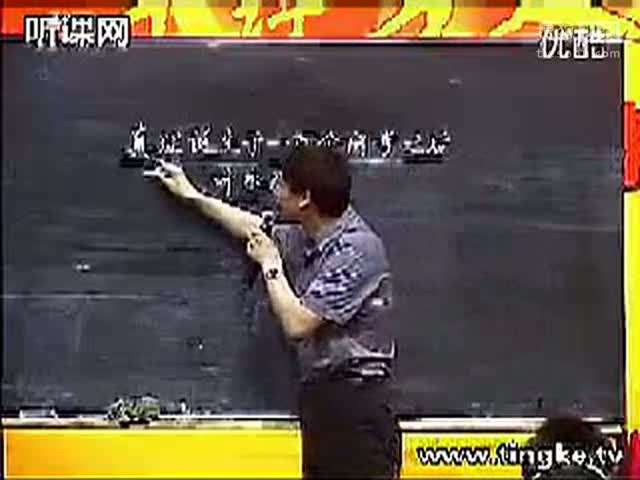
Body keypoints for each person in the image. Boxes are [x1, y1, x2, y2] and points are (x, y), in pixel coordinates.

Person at [155, 145, 401, 479]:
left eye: (282, 184)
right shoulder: (309, 237)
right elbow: (252, 228)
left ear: (305, 198)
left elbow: (298, 324)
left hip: (357, 410)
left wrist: (271, 265)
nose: (275, 191)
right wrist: (192, 196)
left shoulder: (357, 250)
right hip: (322, 408)